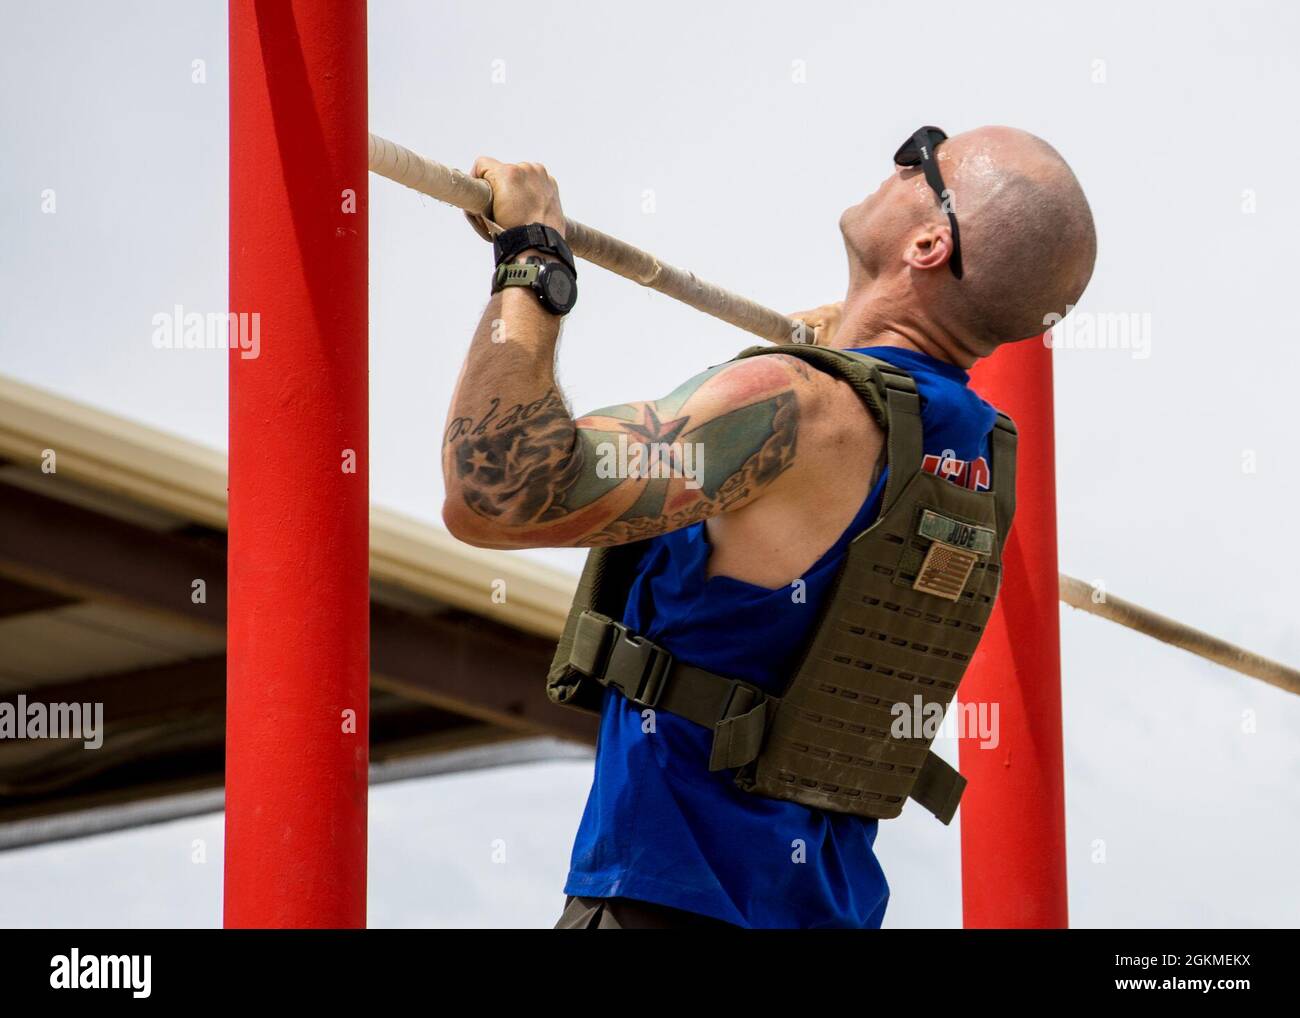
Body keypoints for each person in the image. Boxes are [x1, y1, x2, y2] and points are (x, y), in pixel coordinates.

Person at [440, 125, 1096, 929]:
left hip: (670, 899)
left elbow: (500, 488)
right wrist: (845, 337)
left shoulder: (801, 406)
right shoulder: (972, 448)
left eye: (923, 156)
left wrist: (532, 256)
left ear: (929, 242)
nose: (898, 159)